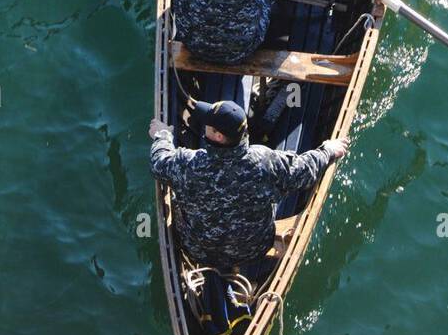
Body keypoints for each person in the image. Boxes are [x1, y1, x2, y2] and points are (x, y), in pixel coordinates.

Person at [149, 100, 349, 272]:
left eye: (209, 125)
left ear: (218, 136)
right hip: (253, 250)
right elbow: (304, 171)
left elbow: (158, 163)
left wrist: (162, 136)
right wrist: (327, 150)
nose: (204, 126)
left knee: (177, 196)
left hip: (197, 250)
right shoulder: (264, 161)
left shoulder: (188, 164)